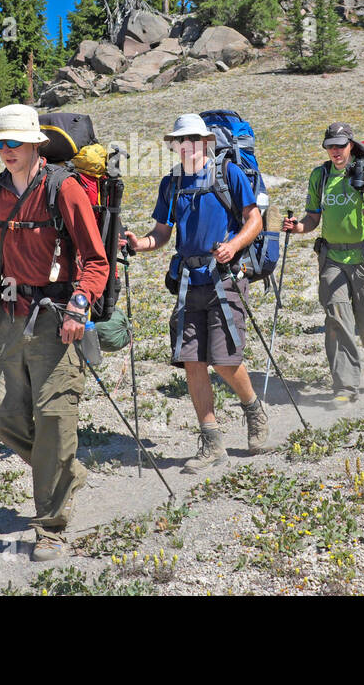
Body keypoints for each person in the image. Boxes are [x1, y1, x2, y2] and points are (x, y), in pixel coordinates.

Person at [0, 104, 109, 562]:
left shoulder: (63, 188)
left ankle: (51, 525)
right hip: (8, 316)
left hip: (55, 317)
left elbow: (96, 258)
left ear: (34, 144)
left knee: (53, 415)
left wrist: (79, 305)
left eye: (13, 143)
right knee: (1, 414)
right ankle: (63, 470)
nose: (5, 151)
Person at [122, 114, 270, 473]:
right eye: (179, 141)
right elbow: (161, 232)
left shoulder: (228, 174)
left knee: (224, 359)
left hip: (226, 277)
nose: (186, 146)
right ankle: (211, 440)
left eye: (192, 139)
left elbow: (255, 220)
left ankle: (252, 408)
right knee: (192, 359)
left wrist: (233, 247)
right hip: (189, 280)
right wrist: (139, 244)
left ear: (205, 142)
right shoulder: (171, 182)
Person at [281, 122, 364, 403]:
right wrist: (297, 227)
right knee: (337, 320)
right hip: (331, 257)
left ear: (350, 145)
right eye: (330, 146)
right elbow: (312, 218)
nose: (335, 151)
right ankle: (345, 387)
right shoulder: (319, 176)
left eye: (340, 145)